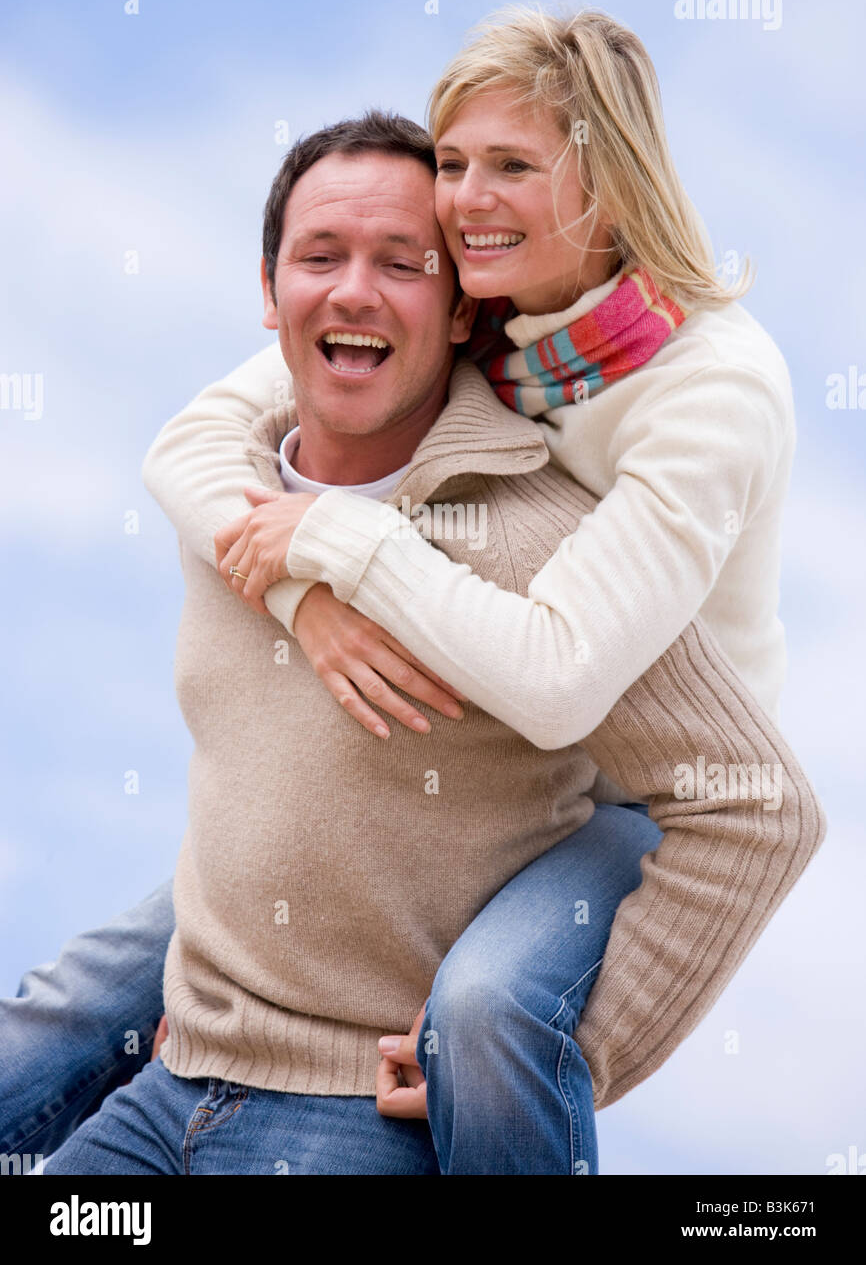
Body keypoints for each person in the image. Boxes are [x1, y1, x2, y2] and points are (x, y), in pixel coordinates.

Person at [4, 113, 824, 1176]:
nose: (354, 290)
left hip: (345, 1120)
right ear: (267, 290)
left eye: (403, 264)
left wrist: (568, 1057)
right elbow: (190, 445)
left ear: (457, 310)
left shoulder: (551, 534)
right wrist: (305, 593)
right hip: (169, 1086)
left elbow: (753, 800)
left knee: (491, 1002)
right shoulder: (233, 487)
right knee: (68, 1004)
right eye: (319, 258)